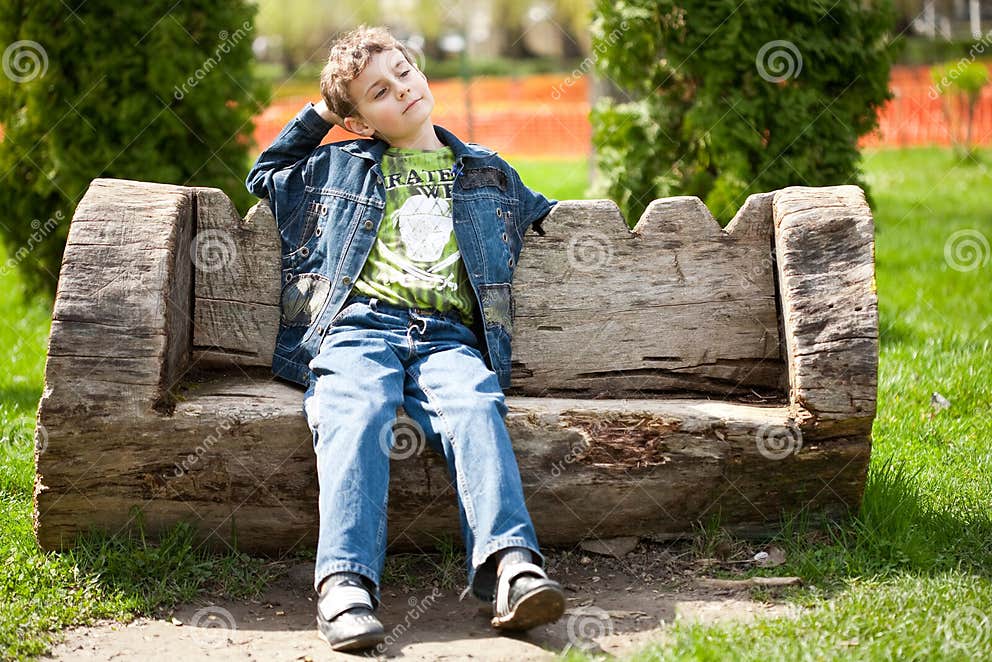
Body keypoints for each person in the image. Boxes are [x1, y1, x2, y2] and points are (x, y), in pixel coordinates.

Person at [245, 23, 564, 652]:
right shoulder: (340, 163)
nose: (402, 91)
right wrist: (322, 113)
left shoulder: (487, 173)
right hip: (359, 328)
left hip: (448, 337)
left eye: (404, 73)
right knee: (355, 410)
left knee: (475, 406)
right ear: (359, 119)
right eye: (378, 93)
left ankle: (511, 570)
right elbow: (267, 173)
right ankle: (344, 585)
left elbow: (544, 213)